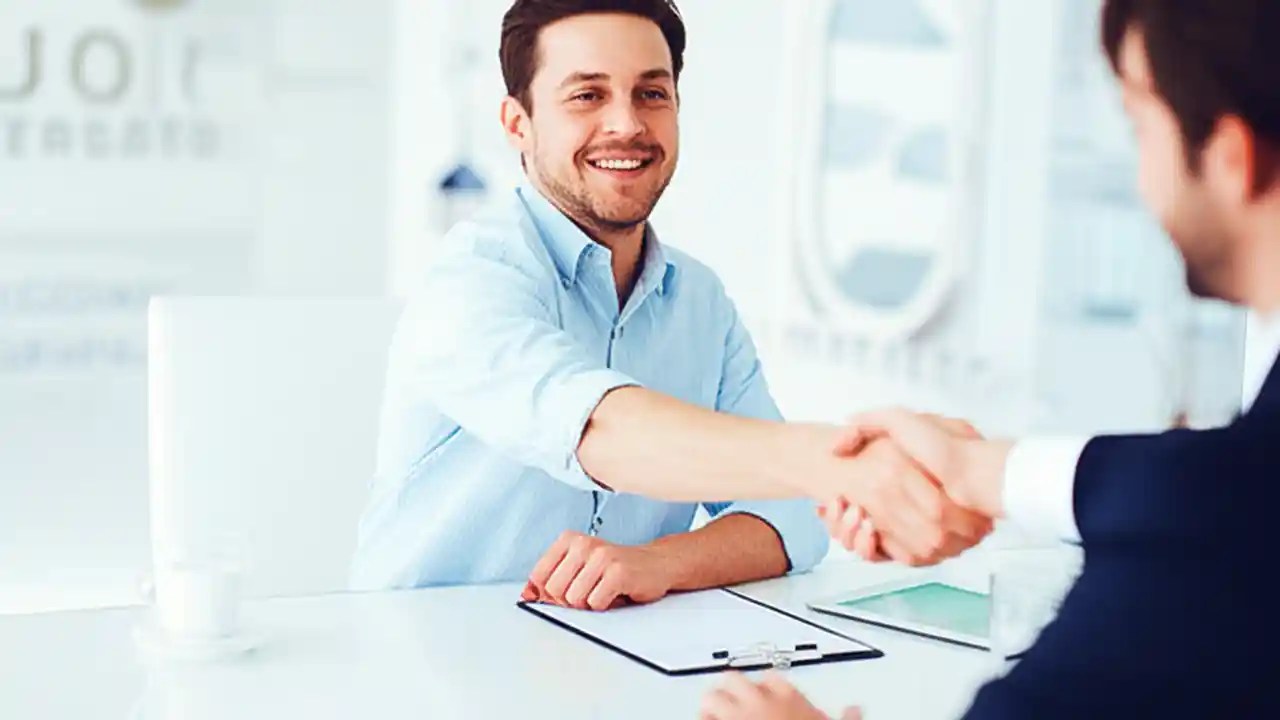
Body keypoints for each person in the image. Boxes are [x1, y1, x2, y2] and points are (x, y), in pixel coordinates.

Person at [703, 0, 1280, 717]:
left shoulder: (1204, 532)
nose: (1140, 178)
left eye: (1140, 127)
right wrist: (983, 472)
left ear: (1229, 158)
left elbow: (1212, 502)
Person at [350, 0, 990, 610]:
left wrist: (657, 562)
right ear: (518, 123)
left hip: (605, 660)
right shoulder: (471, 279)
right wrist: (849, 465)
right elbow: (596, 428)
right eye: (587, 95)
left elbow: (788, 519)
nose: (627, 124)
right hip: (424, 664)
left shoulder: (700, 301)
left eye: (651, 94)